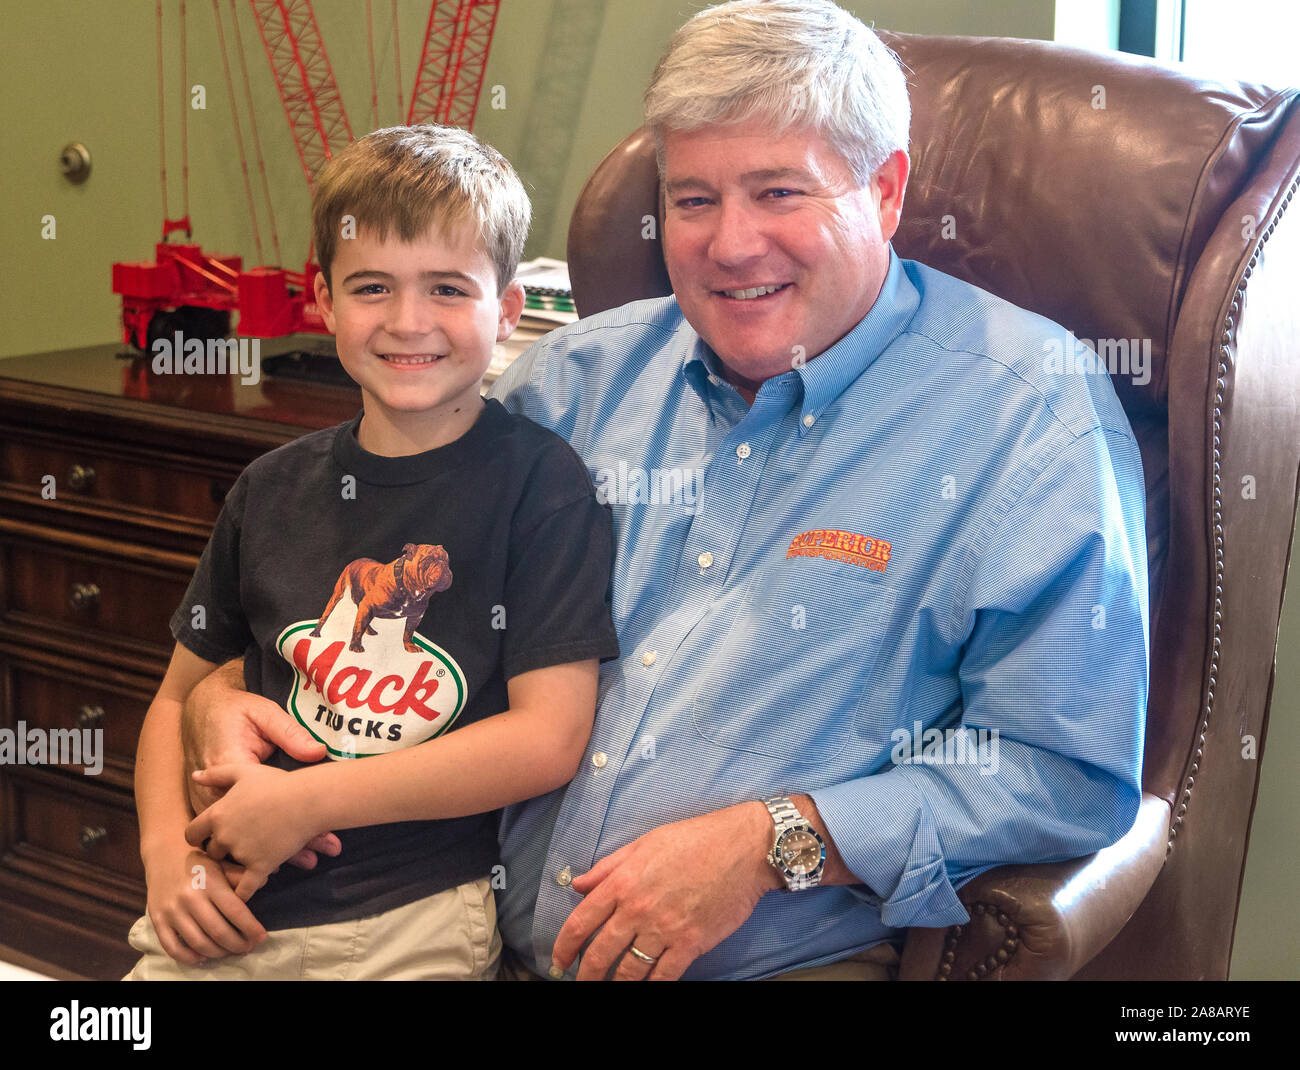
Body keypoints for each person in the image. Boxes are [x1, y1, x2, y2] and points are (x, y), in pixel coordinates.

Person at [181, 0, 1149, 981]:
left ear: (884, 189)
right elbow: (361, 596)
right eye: (693, 200)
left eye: (778, 192)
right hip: (447, 934)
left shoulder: (1028, 415)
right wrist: (221, 695)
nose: (731, 245)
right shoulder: (565, 384)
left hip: (770, 963)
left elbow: (1060, 772)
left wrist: (772, 840)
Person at [123, 124, 620, 980]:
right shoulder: (270, 489)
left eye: (448, 288)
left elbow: (549, 738)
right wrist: (169, 857)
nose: (407, 321)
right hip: (227, 903)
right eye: (372, 286)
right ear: (322, 300)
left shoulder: (541, 486)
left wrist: (305, 800)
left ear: (507, 309)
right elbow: (174, 703)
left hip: (410, 918)